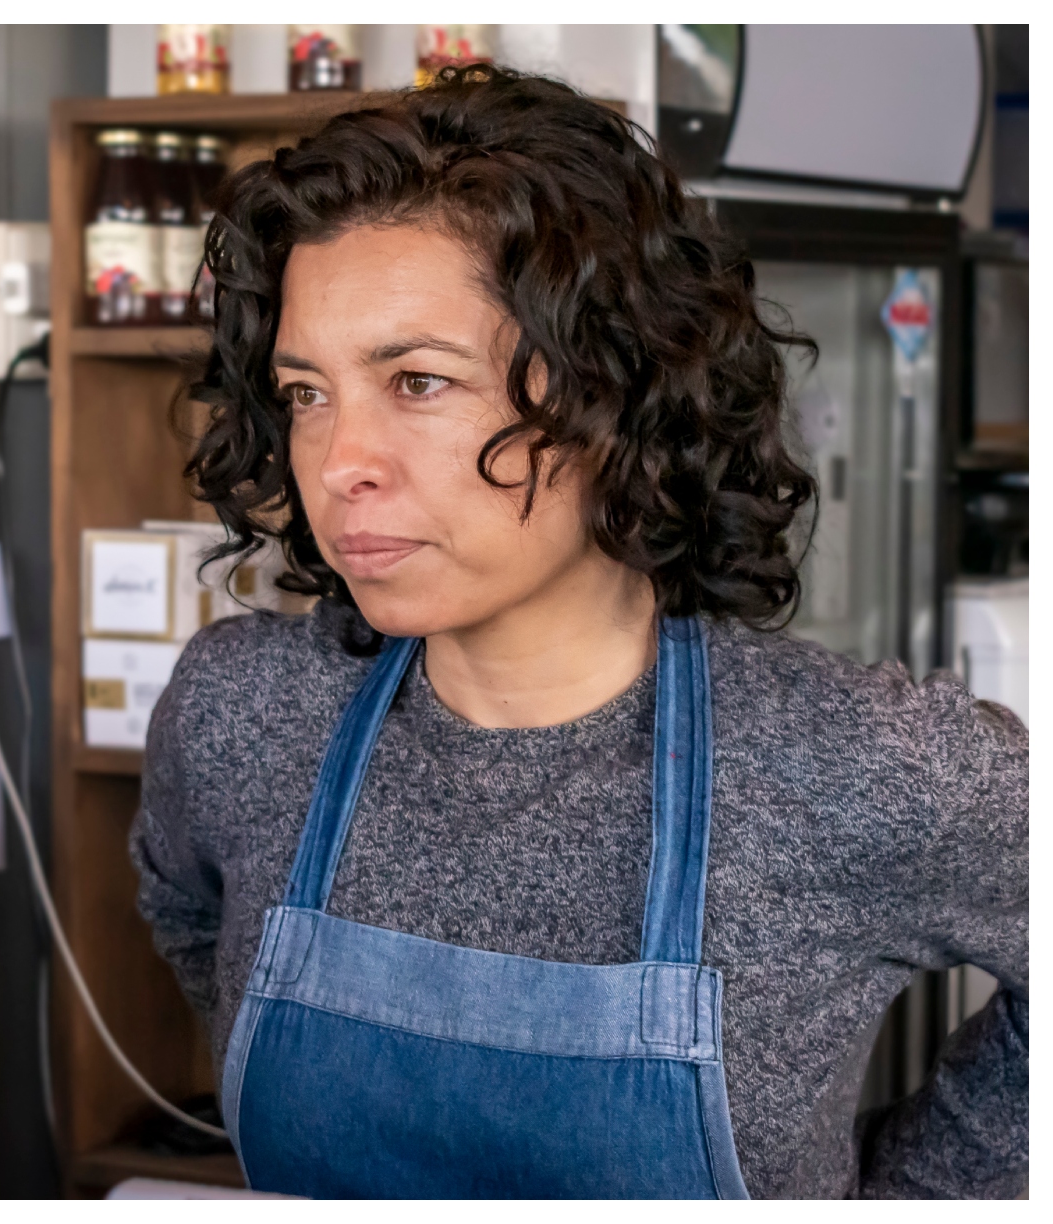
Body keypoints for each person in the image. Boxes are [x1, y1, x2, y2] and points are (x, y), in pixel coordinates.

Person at [131, 68, 1025, 1199]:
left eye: (415, 381)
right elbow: (184, 910)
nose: (339, 461)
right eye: (305, 392)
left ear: (611, 394)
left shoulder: (856, 767)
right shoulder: (243, 713)